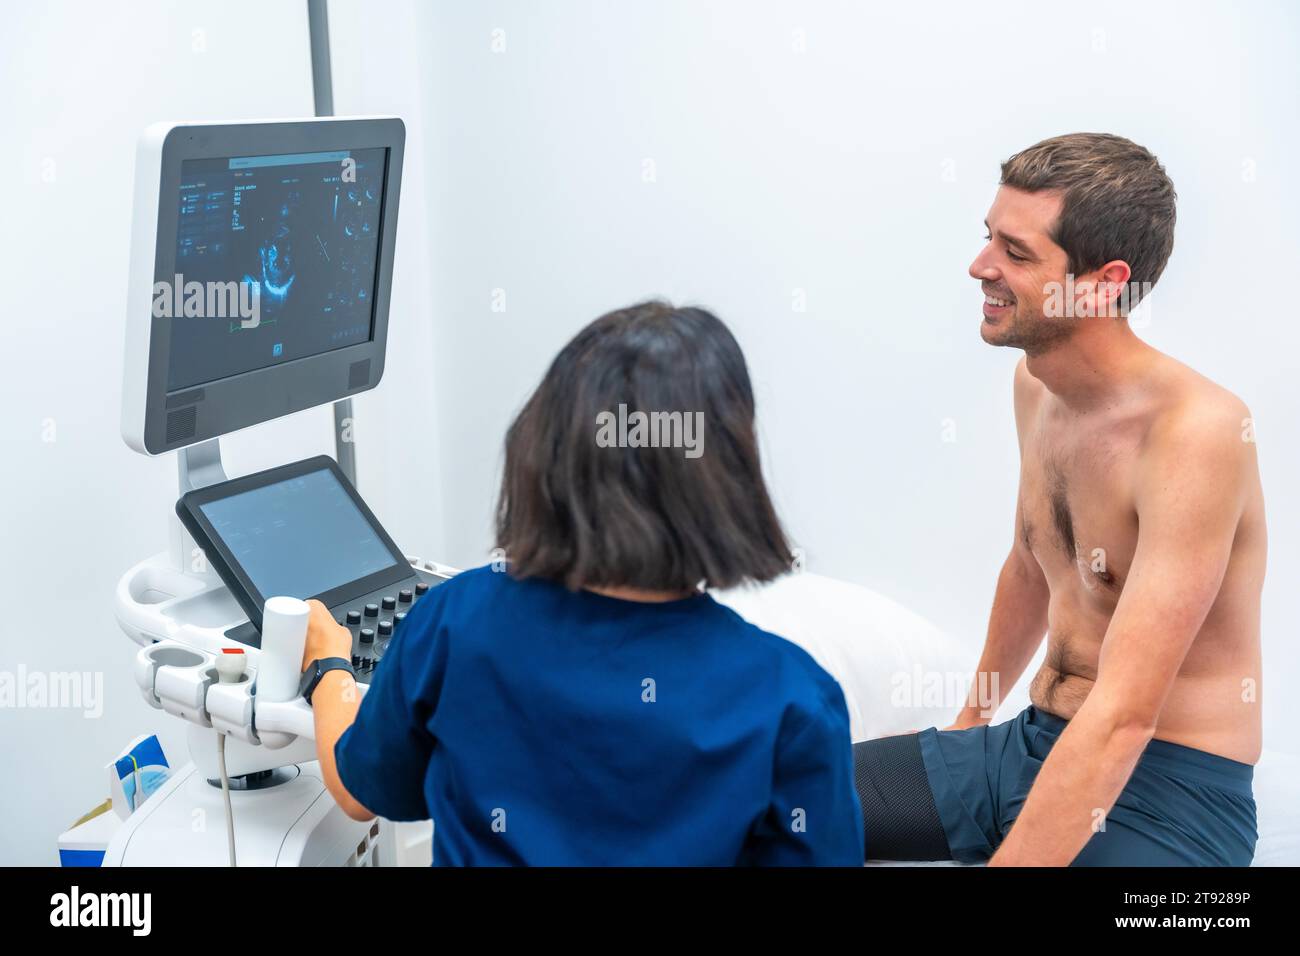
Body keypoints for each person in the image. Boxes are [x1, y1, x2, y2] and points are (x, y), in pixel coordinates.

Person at [299, 300, 863, 865]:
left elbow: (358, 793)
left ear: (544, 448)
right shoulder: (793, 702)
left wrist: (329, 666)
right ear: (727, 474)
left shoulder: (456, 621)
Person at [853, 133, 1265, 866]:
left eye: (1016, 253)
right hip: (1029, 745)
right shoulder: (1036, 387)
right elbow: (1028, 562)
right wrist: (970, 723)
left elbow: (1125, 714)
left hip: (1167, 794)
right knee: (764, 804)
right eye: (989, 239)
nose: (980, 267)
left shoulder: (1195, 434)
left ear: (1102, 282)